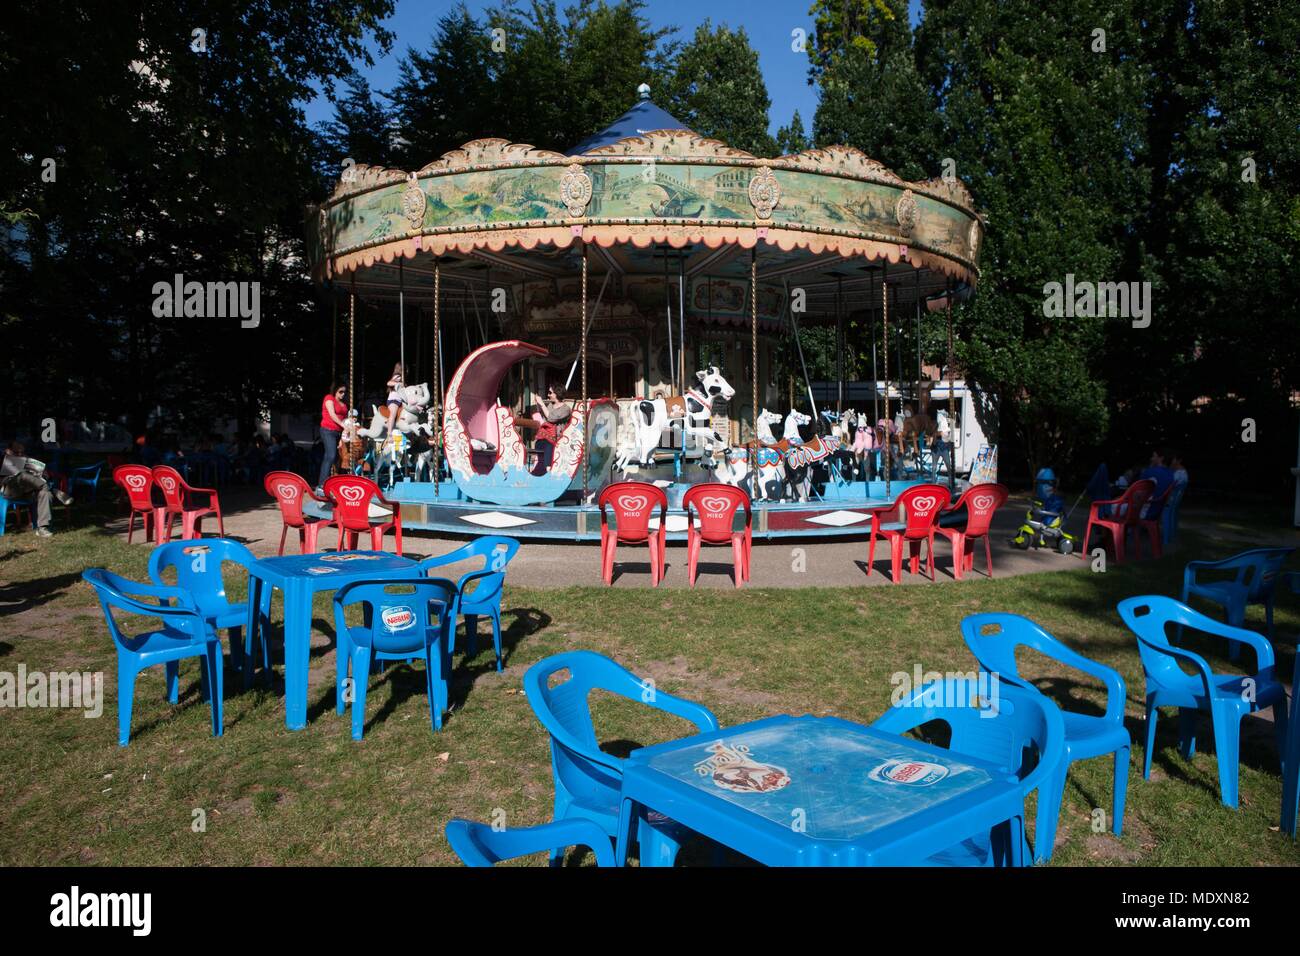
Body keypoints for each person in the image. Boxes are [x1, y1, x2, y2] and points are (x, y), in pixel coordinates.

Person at [2, 440, 72, 537]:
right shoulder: (3, 460)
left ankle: (43, 528)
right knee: (22, 475)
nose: (20, 454)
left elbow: (46, 476)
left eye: (22, 452)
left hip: (29, 493)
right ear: (8, 450)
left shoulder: (27, 459)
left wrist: (42, 473)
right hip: (10, 492)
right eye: (16, 452)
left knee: (46, 493)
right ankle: (54, 490)